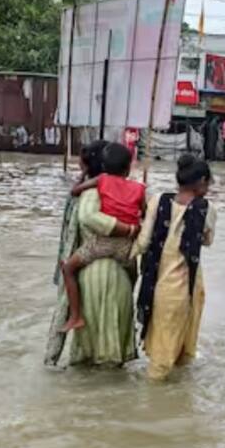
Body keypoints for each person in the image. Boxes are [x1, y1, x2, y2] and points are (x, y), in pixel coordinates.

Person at [44, 141, 138, 368]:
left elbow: (71, 241)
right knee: (116, 365)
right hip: (122, 279)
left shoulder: (87, 195)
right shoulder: (129, 192)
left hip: (89, 280)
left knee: (86, 366)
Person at [135, 154, 216, 381]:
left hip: (159, 286)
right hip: (188, 286)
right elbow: (207, 241)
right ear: (201, 182)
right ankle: (167, 405)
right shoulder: (206, 209)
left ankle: (153, 405)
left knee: (160, 355)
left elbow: (142, 243)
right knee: (178, 355)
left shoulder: (158, 201)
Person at [60, 142, 145, 332]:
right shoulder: (139, 188)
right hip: (126, 247)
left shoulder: (101, 181)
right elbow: (144, 214)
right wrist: (134, 228)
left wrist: (83, 178)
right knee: (133, 274)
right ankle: (128, 304)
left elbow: (75, 192)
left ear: (104, 167)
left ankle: (75, 317)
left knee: (67, 269)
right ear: (128, 167)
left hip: (103, 243)